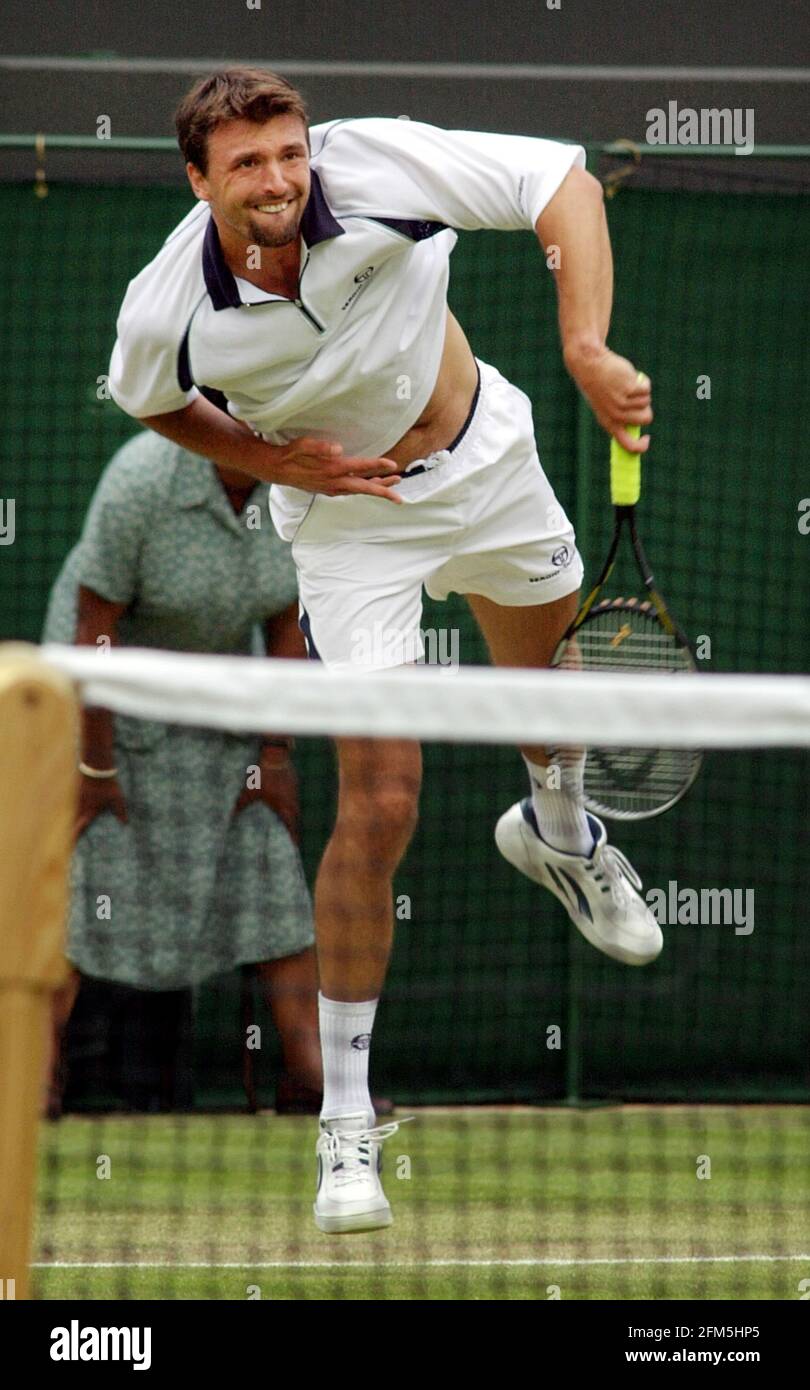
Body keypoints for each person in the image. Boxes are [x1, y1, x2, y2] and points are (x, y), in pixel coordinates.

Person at [107, 66, 664, 1233]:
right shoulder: (170, 304)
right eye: (247, 162)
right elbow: (148, 395)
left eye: (289, 150)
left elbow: (560, 179)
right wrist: (276, 463)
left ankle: (559, 831)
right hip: (350, 528)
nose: (279, 177)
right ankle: (347, 1129)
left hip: (488, 461)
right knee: (382, 801)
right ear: (197, 179)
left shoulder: (375, 167)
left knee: (542, 706)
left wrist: (582, 343)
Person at [43, 425, 322, 1116]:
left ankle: (318, 1079)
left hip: (214, 696)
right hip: (99, 696)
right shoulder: (141, 478)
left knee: (266, 861)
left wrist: (275, 754)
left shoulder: (298, 483)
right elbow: (94, 624)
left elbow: (289, 619)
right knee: (84, 872)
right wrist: (93, 767)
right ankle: (29, 1080)